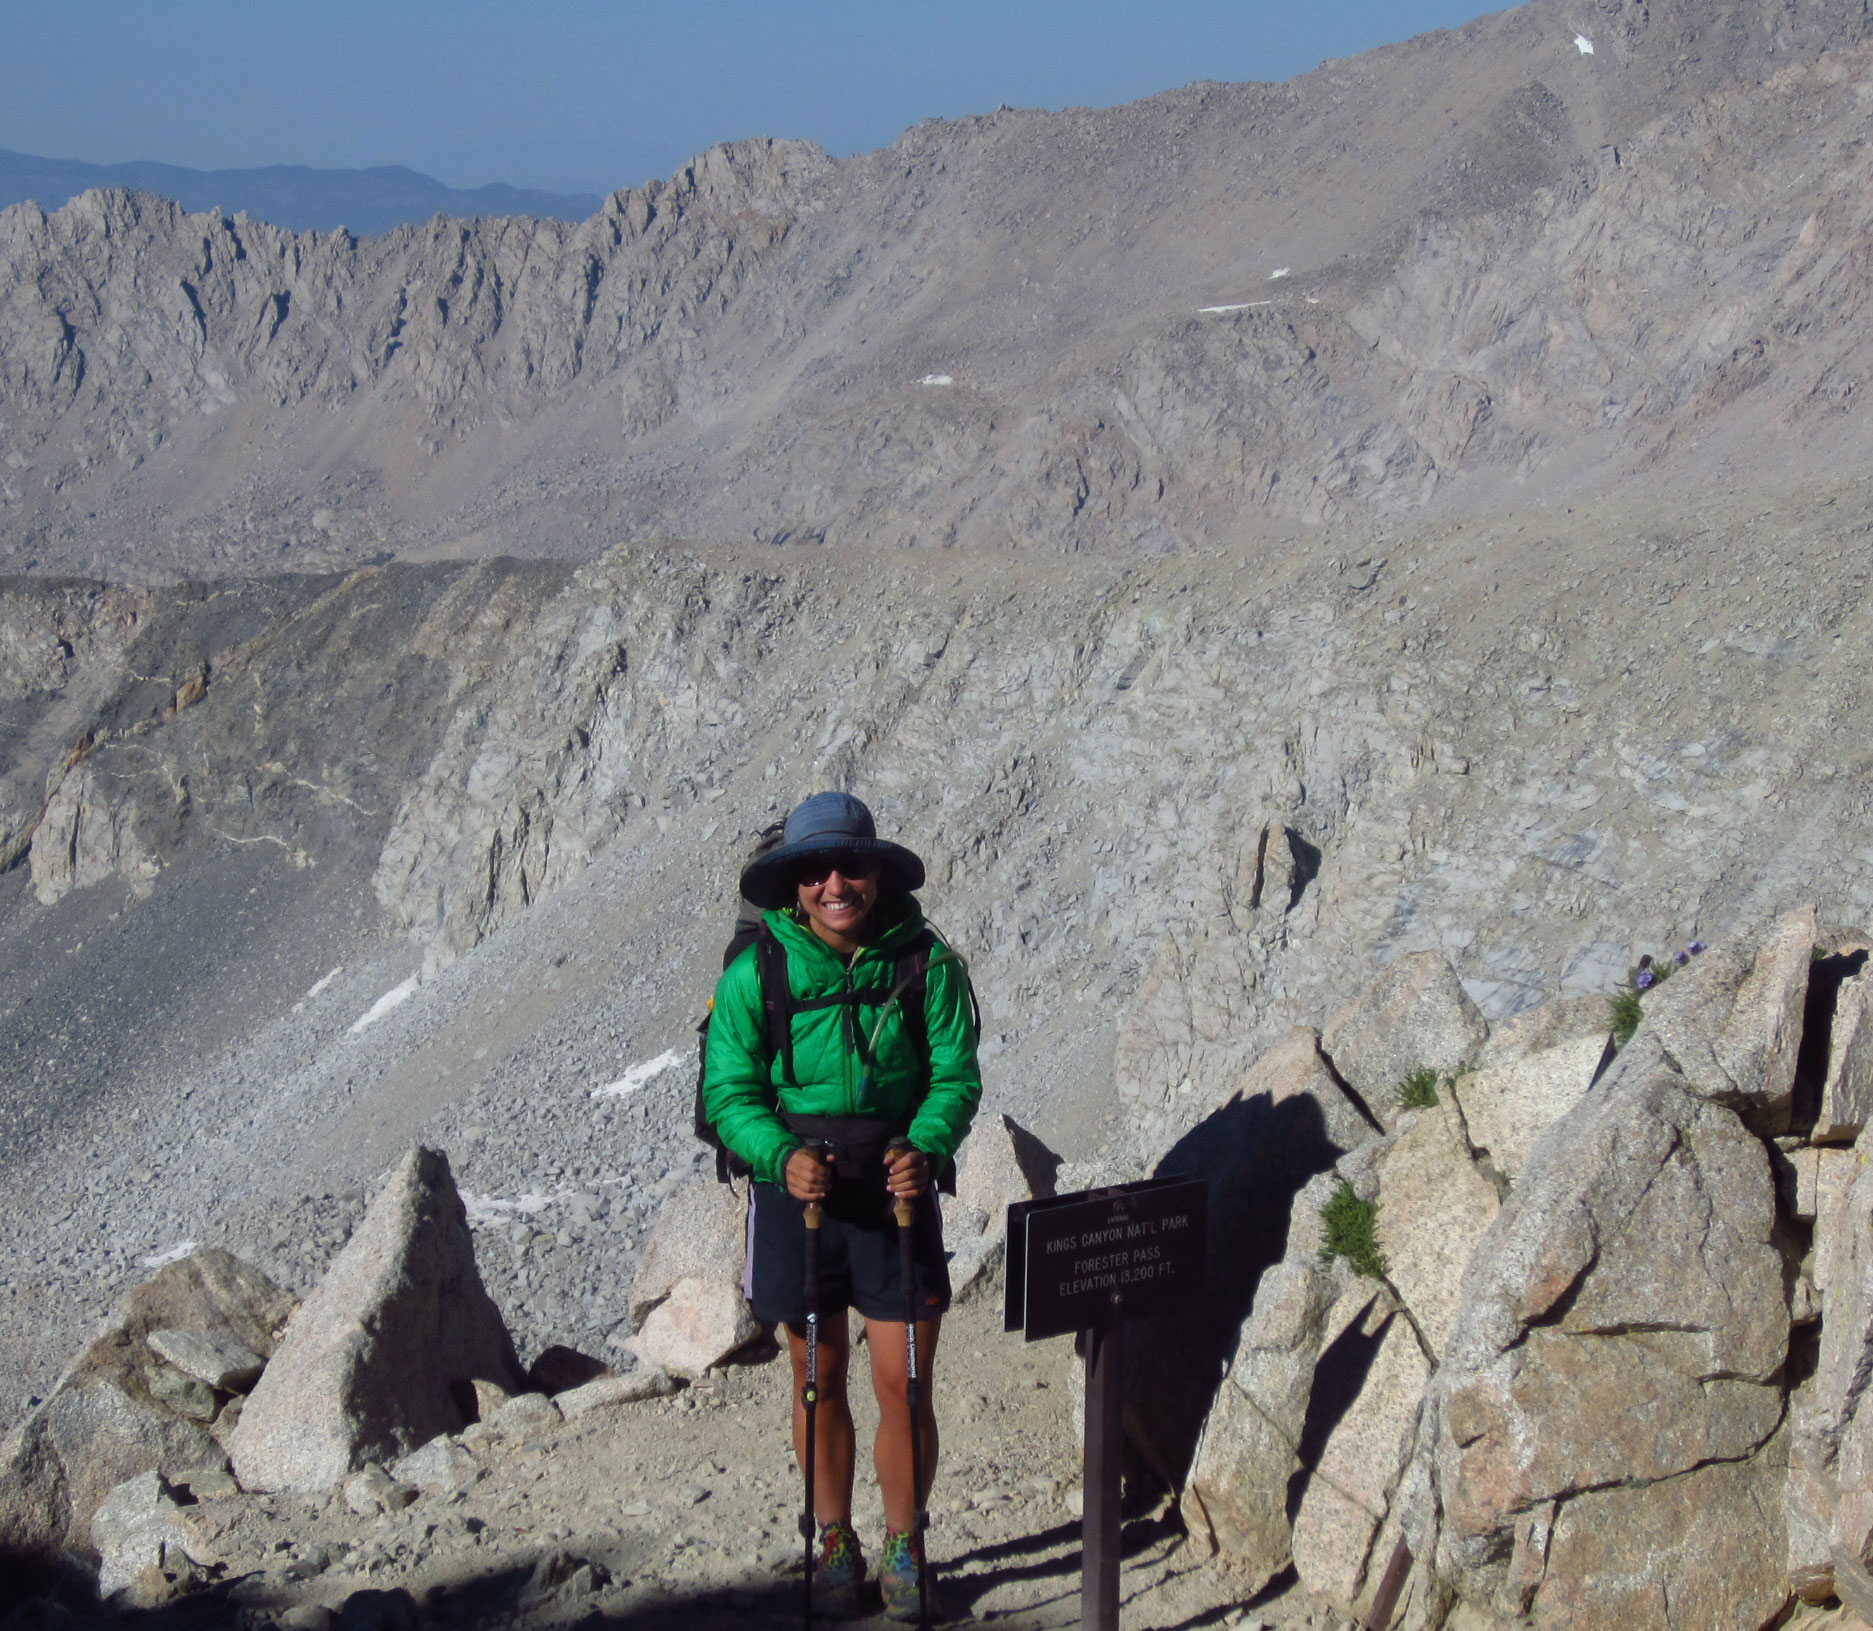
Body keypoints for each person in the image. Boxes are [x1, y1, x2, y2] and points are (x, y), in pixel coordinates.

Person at [704, 791, 982, 1620]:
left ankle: (904, 1541)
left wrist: (925, 1145)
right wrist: (779, 1156)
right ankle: (833, 1538)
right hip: (802, 1195)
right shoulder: (756, 973)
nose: (834, 884)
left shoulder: (927, 964)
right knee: (816, 1376)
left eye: (850, 866)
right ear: (792, 883)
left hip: (897, 1188)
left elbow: (955, 1076)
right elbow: (729, 1093)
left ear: (876, 872)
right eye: (815, 870)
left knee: (906, 1381)